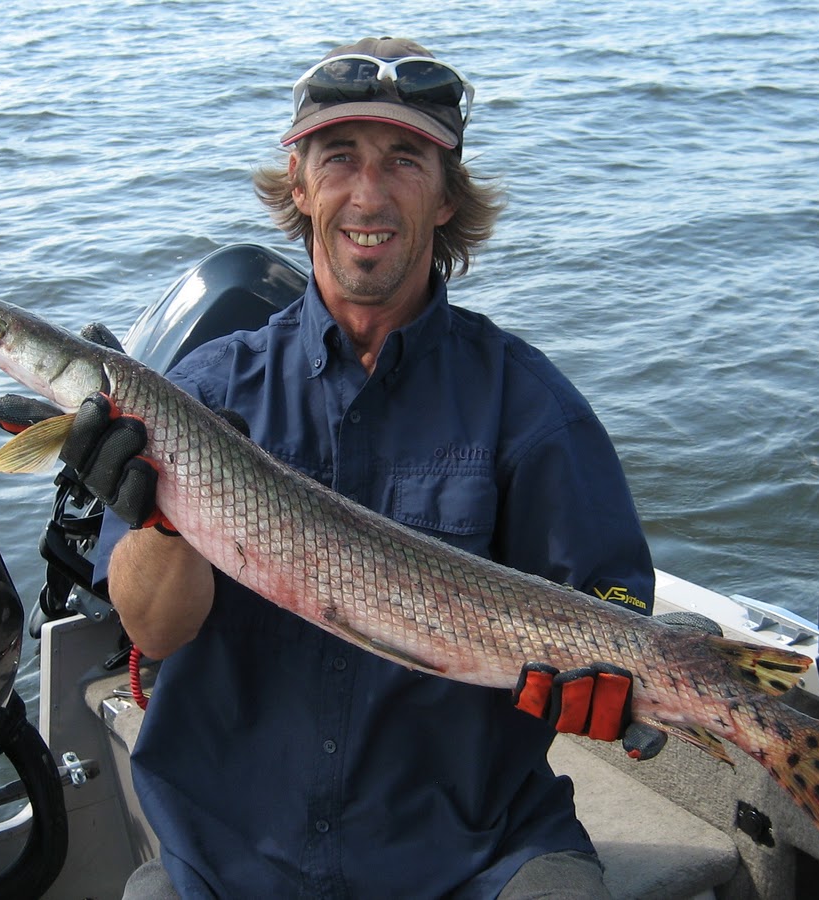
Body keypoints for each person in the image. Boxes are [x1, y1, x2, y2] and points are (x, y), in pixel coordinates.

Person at [68, 37, 656, 899]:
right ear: (299, 188)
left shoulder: (531, 408)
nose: (368, 194)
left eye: (405, 159)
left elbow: (613, 604)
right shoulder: (202, 394)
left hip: (474, 855)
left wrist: (617, 692)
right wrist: (164, 518)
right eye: (339, 158)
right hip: (231, 857)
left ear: (447, 195)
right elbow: (153, 633)